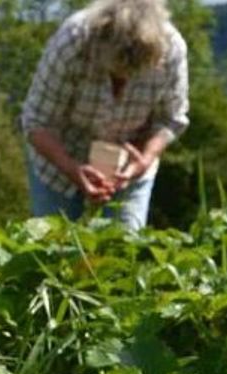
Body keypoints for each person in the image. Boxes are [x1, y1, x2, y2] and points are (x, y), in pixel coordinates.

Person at [21, 0, 189, 231]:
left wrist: (145, 159)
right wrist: (72, 168)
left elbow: (171, 118)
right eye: (117, 72)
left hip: (130, 164)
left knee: (125, 243)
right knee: (51, 242)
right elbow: (36, 121)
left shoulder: (172, 49)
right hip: (59, 159)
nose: (124, 79)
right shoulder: (72, 41)